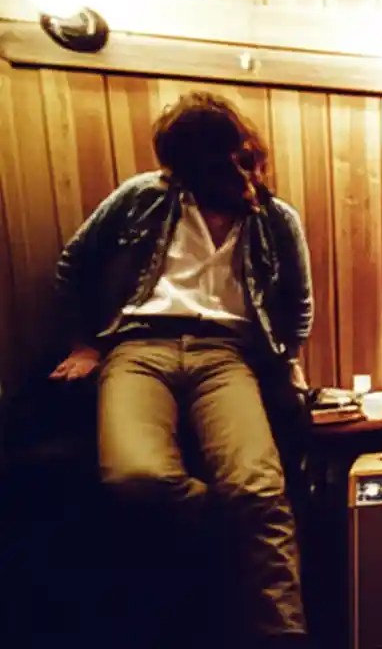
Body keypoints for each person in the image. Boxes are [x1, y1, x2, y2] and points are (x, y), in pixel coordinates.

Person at [50, 91, 314, 649]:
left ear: (245, 151)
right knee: (136, 478)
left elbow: (298, 303)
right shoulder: (142, 196)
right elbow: (75, 262)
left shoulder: (274, 218)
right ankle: (231, 537)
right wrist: (83, 345)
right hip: (139, 347)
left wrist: (285, 364)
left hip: (227, 355)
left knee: (258, 487)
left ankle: (282, 636)